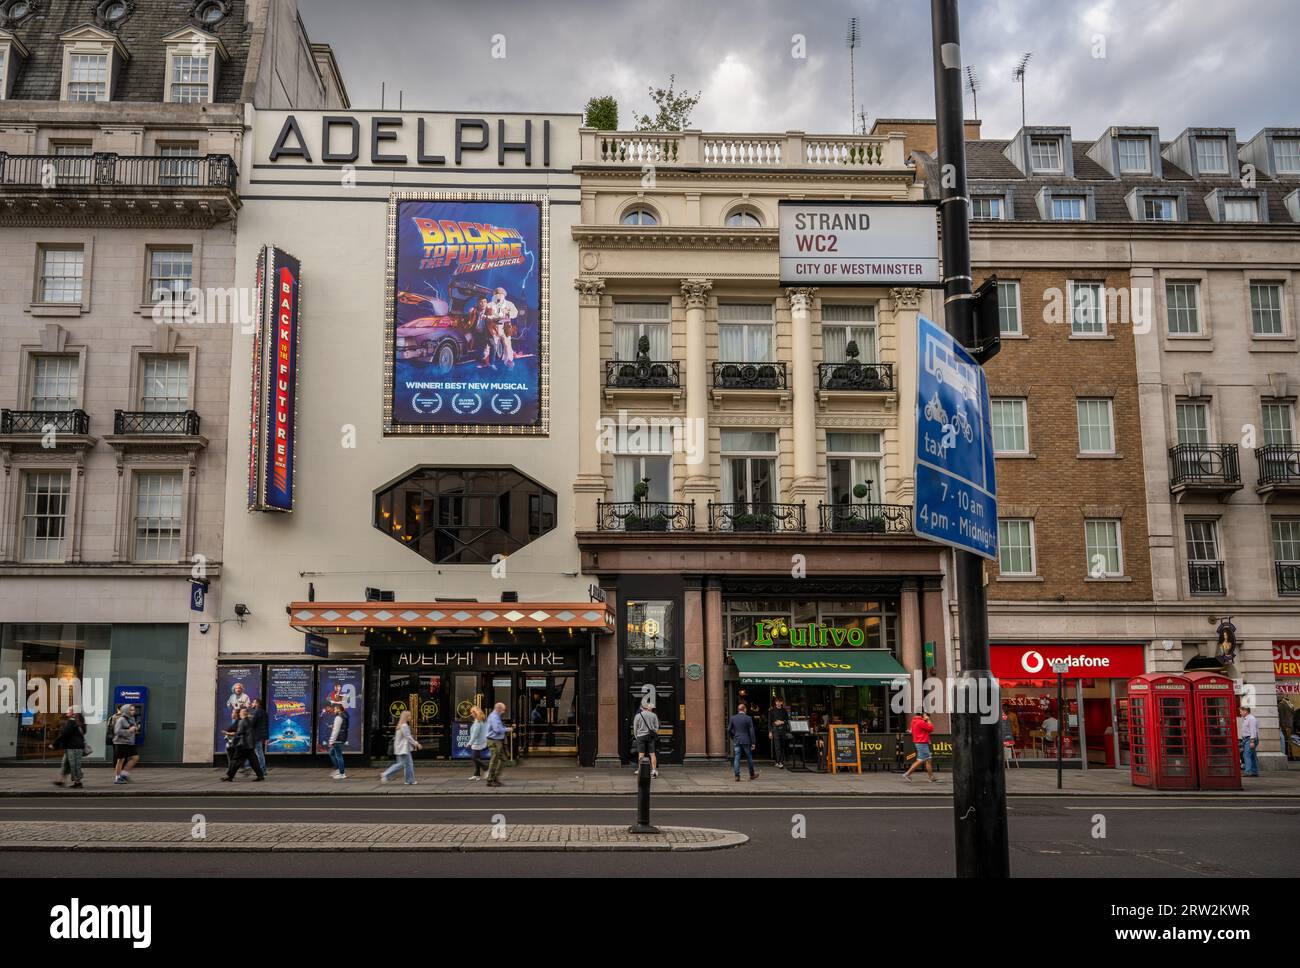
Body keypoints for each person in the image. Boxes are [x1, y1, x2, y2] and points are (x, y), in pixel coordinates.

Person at [221, 708, 265, 782]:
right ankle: (260, 776)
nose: (239, 713)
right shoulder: (251, 721)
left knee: (235, 760)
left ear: (243, 713)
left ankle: (229, 776)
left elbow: (238, 733)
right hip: (250, 745)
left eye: (241, 712)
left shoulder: (242, 721)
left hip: (243, 745)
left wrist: (234, 743)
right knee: (254, 761)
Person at [380, 710, 421, 785]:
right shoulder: (404, 726)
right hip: (403, 748)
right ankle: (386, 774)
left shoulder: (400, 725)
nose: (411, 717)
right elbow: (408, 737)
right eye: (409, 716)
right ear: (406, 717)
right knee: (402, 764)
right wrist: (416, 743)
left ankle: (409, 780)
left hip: (401, 748)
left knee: (407, 764)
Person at [52, 707, 87, 789]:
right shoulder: (80, 721)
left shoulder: (72, 721)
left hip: (73, 747)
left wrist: (55, 744)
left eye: (69, 709)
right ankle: (61, 780)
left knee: (74, 765)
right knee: (65, 764)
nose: (67, 710)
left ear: (74, 712)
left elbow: (64, 734)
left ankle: (78, 782)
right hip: (72, 747)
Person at [728, 702, 759, 782]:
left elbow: (728, 729)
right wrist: (753, 742)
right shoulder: (748, 718)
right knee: (749, 758)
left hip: (737, 740)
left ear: (738, 710)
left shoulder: (733, 718)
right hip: (746, 740)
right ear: (744, 709)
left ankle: (737, 776)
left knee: (737, 758)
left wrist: (733, 737)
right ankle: (752, 775)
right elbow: (751, 731)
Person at [903, 711, 937, 782]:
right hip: (922, 743)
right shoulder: (921, 722)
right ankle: (908, 773)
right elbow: (931, 728)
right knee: (923, 760)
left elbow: (915, 731)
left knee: (926, 760)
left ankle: (931, 777)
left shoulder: (914, 721)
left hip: (919, 742)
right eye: (925, 715)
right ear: (922, 715)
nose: (926, 717)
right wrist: (928, 720)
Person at [113, 704, 141, 785]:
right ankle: (117, 777)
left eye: (133, 710)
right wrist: (129, 731)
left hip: (130, 743)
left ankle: (124, 774)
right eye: (131, 710)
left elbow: (132, 729)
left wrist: (136, 729)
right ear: (126, 710)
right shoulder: (121, 719)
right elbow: (117, 731)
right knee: (121, 760)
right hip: (121, 743)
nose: (133, 712)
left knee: (135, 758)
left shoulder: (132, 719)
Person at [485, 701, 510, 787]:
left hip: (496, 740)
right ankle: (490, 779)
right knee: (495, 760)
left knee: (502, 759)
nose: (504, 712)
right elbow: (497, 729)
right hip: (494, 741)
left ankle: (494, 777)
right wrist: (507, 729)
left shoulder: (496, 716)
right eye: (503, 710)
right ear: (498, 709)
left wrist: (505, 728)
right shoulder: (494, 717)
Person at [632, 700, 660, 778]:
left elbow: (635, 727)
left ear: (642, 708)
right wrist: (654, 733)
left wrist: (636, 736)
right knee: (652, 754)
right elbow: (656, 727)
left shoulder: (638, 716)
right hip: (650, 737)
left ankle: (640, 769)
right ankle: (654, 770)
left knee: (641, 754)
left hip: (641, 736)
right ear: (647, 708)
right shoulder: (653, 715)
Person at [325, 702, 349, 780]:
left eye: (335, 709)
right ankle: (338, 770)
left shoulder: (338, 717)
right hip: (342, 737)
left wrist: (331, 740)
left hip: (338, 739)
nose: (334, 710)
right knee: (331, 753)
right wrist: (333, 726)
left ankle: (342, 773)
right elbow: (342, 727)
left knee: (339, 756)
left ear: (338, 709)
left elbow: (336, 730)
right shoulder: (344, 716)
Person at [247, 697, 270, 776]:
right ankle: (261, 769)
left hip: (256, 736)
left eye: (253, 702)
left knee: (258, 753)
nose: (252, 704)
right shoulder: (264, 712)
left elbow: (252, 724)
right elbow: (266, 725)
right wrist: (266, 737)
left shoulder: (256, 712)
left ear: (257, 704)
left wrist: (247, 718)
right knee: (258, 752)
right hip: (261, 735)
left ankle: (262, 770)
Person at [467, 706, 490, 780]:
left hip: (477, 742)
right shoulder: (483, 720)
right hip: (482, 741)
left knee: (474, 757)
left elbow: (475, 734)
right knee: (477, 758)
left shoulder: (477, 721)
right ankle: (477, 775)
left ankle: (486, 768)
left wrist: (470, 743)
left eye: (471, 713)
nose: (471, 714)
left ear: (475, 712)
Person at [767, 696, 791, 768]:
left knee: (782, 745)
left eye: (780, 702)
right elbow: (769, 722)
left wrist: (782, 722)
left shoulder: (784, 711)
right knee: (777, 746)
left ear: (782, 702)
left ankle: (779, 761)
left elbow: (787, 720)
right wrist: (770, 732)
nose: (778, 703)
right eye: (777, 701)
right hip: (775, 730)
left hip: (783, 730)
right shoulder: (772, 710)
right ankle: (779, 762)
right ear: (775, 702)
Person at [1239, 705, 1260, 776]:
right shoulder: (1246, 719)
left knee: (1246, 755)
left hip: (1250, 739)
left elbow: (1253, 730)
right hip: (1247, 739)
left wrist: (1252, 741)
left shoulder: (1251, 719)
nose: (1240, 713)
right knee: (1252, 756)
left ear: (1245, 711)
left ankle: (1248, 771)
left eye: (1241, 712)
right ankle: (1254, 771)